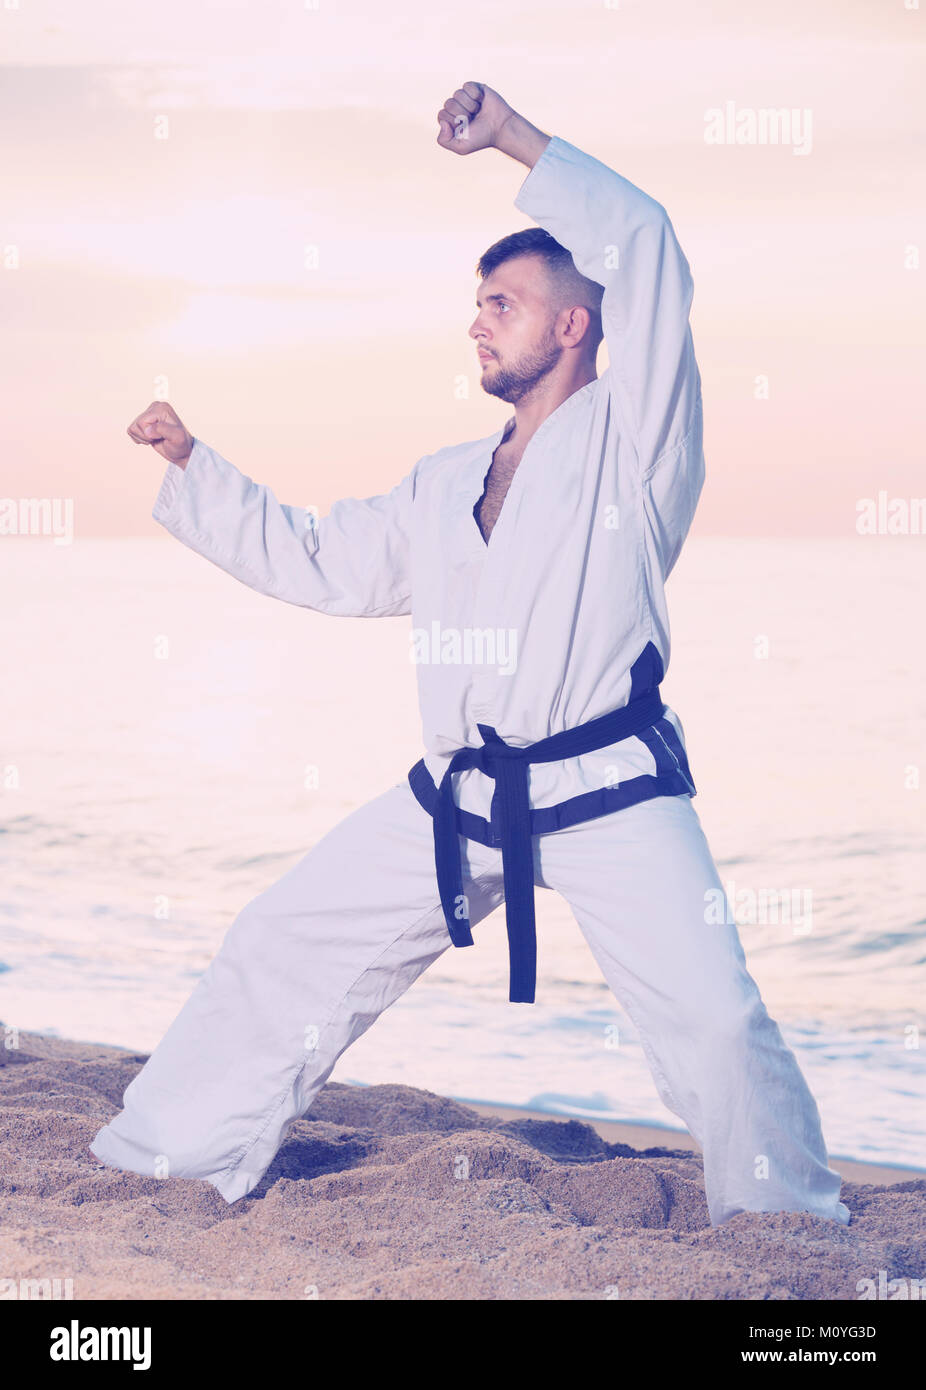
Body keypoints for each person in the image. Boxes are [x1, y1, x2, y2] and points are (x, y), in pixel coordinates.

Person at [90, 82, 850, 1227]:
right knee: (285, 940)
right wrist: (197, 464)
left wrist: (509, 137)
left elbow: (643, 244)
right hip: (462, 789)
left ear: (573, 324)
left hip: (607, 786)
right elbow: (319, 558)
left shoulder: (635, 443)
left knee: (711, 1018)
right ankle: (166, 1160)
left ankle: (785, 1225)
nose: (476, 321)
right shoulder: (445, 480)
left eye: (501, 301)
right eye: (475, 302)